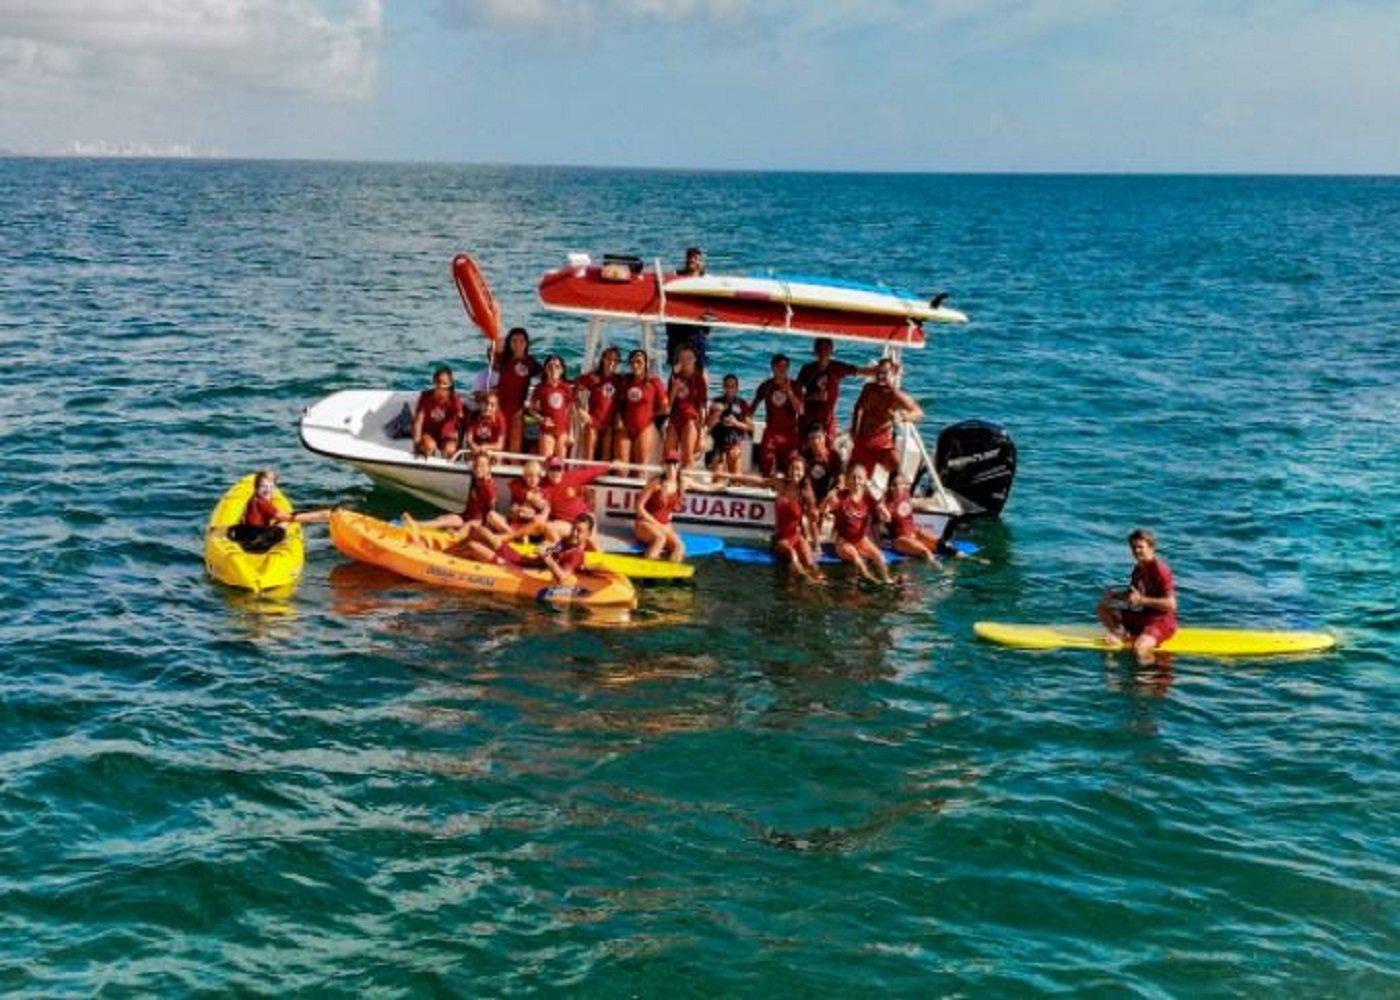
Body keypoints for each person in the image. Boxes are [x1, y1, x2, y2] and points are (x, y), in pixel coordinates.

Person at [1097, 528, 1178, 663]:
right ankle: (1120, 633)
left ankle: (1151, 677)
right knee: (1103, 607)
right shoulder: (1139, 569)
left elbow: (1171, 605)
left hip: (1161, 622)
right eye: (1133, 547)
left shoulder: (1161, 570)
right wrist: (1115, 595)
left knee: (1139, 648)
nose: (1136, 551)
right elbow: (1134, 594)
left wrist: (1142, 600)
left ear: (1152, 548)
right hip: (1143, 617)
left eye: (1140, 547)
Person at [462, 513, 597, 587]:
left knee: (473, 546)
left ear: (588, 534)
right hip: (523, 560)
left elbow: (562, 578)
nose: (574, 533)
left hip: (518, 568)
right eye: (574, 528)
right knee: (481, 531)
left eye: (579, 531)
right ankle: (455, 550)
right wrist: (546, 546)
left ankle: (452, 560)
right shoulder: (567, 542)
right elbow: (554, 548)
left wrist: (546, 557)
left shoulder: (576, 555)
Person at [849, 358, 923, 479]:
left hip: (881, 444)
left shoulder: (895, 395)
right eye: (878, 372)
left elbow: (919, 412)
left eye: (885, 373)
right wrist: (854, 429)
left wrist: (902, 417)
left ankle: (893, 493)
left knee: (898, 469)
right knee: (855, 476)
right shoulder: (868, 388)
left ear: (892, 373)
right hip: (862, 441)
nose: (880, 376)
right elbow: (857, 407)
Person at [410, 450, 510, 538]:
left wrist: (487, 531)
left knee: (469, 525)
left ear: (489, 468)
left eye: (483, 466)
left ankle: (457, 536)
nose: (479, 468)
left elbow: (493, 510)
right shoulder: (475, 481)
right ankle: (418, 525)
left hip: (480, 522)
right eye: (476, 465)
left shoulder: (488, 486)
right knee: (445, 519)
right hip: (466, 517)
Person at [229, 469, 334, 552]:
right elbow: (287, 518)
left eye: (271, 486)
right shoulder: (260, 502)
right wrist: (320, 516)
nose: (267, 490)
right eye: (263, 486)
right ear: (256, 488)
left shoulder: (254, 498)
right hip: (256, 542)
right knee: (286, 521)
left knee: (287, 518)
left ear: (275, 488)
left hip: (250, 535)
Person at [820, 465, 893, 584]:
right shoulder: (840, 496)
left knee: (879, 556)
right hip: (843, 541)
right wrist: (827, 506)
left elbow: (887, 517)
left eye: (859, 478)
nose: (856, 481)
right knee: (856, 558)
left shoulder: (868, 497)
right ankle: (872, 580)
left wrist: (881, 508)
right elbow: (822, 509)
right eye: (853, 478)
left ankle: (887, 580)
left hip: (860, 540)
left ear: (865, 480)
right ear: (848, 480)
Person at [795, 337, 878, 440]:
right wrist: (811, 397)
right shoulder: (807, 369)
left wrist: (882, 369)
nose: (823, 352)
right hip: (808, 418)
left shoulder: (836, 368)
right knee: (805, 448)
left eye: (826, 349)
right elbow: (796, 395)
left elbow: (860, 371)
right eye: (820, 349)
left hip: (828, 419)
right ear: (815, 351)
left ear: (832, 351)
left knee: (829, 449)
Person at [771, 453, 825, 583]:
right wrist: (724, 476)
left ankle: (821, 587)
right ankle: (807, 581)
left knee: (810, 562)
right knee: (793, 555)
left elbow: (813, 522)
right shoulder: (780, 484)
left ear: (804, 472)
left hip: (797, 536)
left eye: (799, 469)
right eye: (793, 468)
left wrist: (817, 545)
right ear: (788, 470)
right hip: (781, 538)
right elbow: (757, 482)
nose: (795, 472)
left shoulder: (805, 493)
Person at [614, 349, 668, 473]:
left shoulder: (654, 383)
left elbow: (666, 407)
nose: (635, 365)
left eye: (639, 362)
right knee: (621, 468)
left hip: (644, 427)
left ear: (646, 364)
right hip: (625, 428)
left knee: (639, 467)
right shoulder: (624, 381)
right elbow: (618, 403)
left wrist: (651, 417)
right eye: (632, 362)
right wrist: (618, 418)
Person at [751, 353, 804, 477]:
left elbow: (800, 411)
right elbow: (753, 407)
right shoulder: (766, 386)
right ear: (772, 368)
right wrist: (746, 419)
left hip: (790, 433)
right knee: (768, 465)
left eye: (786, 367)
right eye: (779, 367)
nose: (782, 370)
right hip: (772, 432)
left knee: (794, 465)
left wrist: (789, 393)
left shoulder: (795, 385)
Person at [884, 470, 953, 562]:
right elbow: (881, 520)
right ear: (889, 486)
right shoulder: (885, 504)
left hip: (915, 532)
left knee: (944, 545)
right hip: (899, 540)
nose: (898, 488)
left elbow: (912, 505)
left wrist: (928, 504)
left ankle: (973, 559)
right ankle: (943, 573)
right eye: (894, 485)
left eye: (901, 484)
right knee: (926, 552)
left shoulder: (906, 494)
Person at [494, 326, 543, 453]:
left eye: (521, 341)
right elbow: (494, 346)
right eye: (514, 341)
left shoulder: (531, 363)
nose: (518, 344)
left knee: (514, 443)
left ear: (526, 344)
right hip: (500, 406)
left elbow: (545, 377)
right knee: (501, 441)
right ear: (509, 343)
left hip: (518, 409)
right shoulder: (503, 360)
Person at [539, 456, 609, 543]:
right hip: (566, 524)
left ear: (563, 470)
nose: (555, 472)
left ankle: (596, 553)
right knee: (549, 527)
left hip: (585, 519)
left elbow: (593, 472)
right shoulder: (541, 485)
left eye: (558, 469)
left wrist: (611, 465)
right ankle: (558, 553)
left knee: (590, 541)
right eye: (552, 469)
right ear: (546, 470)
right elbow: (518, 487)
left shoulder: (572, 477)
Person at [634, 451, 687, 562]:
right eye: (668, 463)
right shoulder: (656, 483)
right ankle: (648, 574)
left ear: (679, 465)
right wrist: (657, 524)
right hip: (646, 523)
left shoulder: (681, 482)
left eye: (674, 463)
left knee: (680, 546)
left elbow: (707, 488)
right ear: (663, 465)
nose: (671, 467)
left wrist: (722, 483)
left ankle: (671, 574)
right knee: (660, 539)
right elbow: (639, 507)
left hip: (664, 526)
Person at [664, 344, 709, 469]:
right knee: (669, 456)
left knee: (687, 456)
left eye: (689, 358)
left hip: (690, 421)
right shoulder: (674, 377)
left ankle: (685, 483)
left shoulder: (699, 380)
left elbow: (702, 408)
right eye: (682, 358)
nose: (686, 361)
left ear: (695, 359)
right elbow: (668, 405)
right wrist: (674, 388)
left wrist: (701, 434)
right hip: (674, 420)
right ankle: (671, 482)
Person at [665, 246, 710, 367]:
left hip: (697, 329)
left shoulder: (707, 280)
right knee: (676, 366)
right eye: (690, 257)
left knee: (700, 367)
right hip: (676, 328)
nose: (692, 260)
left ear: (701, 262)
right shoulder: (675, 276)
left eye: (696, 258)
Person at [577, 346, 623, 462]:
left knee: (606, 457)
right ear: (603, 359)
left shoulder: (619, 380)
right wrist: (581, 410)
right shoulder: (593, 378)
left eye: (615, 360)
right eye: (609, 359)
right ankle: (586, 478)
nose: (612, 363)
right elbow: (573, 391)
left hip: (609, 425)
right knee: (589, 455)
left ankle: (601, 479)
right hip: (593, 421)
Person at [704, 373, 754, 478]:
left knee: (736, 477)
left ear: (737, 388)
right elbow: (707, 425)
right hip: (719, 445)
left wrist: (735, 423)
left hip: (735, 445)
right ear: (723, 387)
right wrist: (716, 417)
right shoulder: (716, 402)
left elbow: (750, 427)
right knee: (718, 477)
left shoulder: (742, 404)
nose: (730, 389)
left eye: (732, 386)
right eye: (727, 386)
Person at [413, 366, 466, 460]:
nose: (441, 386)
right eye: (438, 382)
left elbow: (461, 423)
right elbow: (418, 421)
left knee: (450, 450)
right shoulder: (426, 396)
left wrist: (460, 445)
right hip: (429, 433)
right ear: (434, 382)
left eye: (444, 383)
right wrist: (416, 445)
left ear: (450, 384)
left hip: (447, 435)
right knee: (429, 446)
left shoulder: (454, 399)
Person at [529, 354, 576, 460]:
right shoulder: (540, 388)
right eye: (550, 366)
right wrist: (542, 419)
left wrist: (571, 434)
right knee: (546, 461)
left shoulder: (566, 388)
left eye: (557, 366)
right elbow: (531, 409)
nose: (553, 369)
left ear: (562, 370)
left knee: (560, 464)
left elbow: (570, 411)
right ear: (545, 369)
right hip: (547, 431)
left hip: (563, 432)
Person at [506, 459, 551, 540]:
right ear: (524, 476)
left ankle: (520, 537)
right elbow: (513, 510)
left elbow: (544, 511)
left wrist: (531, 515)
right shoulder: (519, 488)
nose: (533, 479)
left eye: (536, 476)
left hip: (532, 527)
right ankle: (516, 536)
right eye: (529, 475)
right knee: (492, 516)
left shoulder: (544, 492)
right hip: (516, 524)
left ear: (540, 477)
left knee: (538, 524)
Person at [802, 425, 844, 503]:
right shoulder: (804, 456)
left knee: (835, 499)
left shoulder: (833, 456)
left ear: (825, 436)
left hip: (827, 494)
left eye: (819, 437)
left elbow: (841, 482)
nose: (816, 441)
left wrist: (833, 492)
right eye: (812, 438)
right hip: (809, 493)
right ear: (808, 440)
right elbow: (803, 480)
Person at [462, 390, 506, 454]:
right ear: (481, 403)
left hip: (491, 452)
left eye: (492, 405)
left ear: (496, 408)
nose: (488, 408)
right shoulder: (473, 417)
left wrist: (487, 447)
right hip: (476, 451)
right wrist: (473, 445)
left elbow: (500, 445)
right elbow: (469, 439)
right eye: (486, 404)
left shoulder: (500, 420)